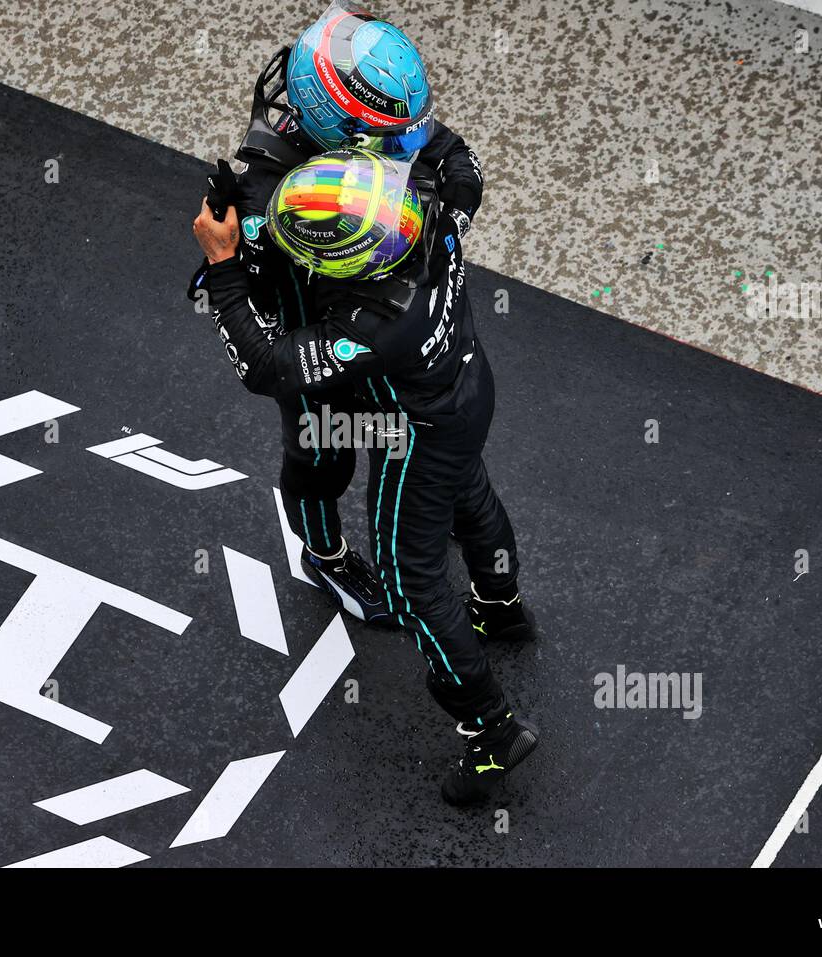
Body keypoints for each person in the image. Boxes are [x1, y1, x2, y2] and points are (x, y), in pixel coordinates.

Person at [192, 148, 537, 805]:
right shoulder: (435, 209)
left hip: (414, 431)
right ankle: (501, 605)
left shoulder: (369, 326)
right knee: (470, 493)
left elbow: (266, 368)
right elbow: (456, 163)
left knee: (411, 583)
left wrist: (225, 265)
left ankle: (491, 731)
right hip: (464, 388)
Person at [190, 2, 483, 626]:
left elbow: (454, 156)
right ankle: (325, 556)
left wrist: (443, 233)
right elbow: (264, 365)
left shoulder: (386, 133)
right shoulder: (253, 194)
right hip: (316, 363)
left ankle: (432, 510)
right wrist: (223, 264)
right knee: (324, 461)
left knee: (411, 452)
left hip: (386, 357)